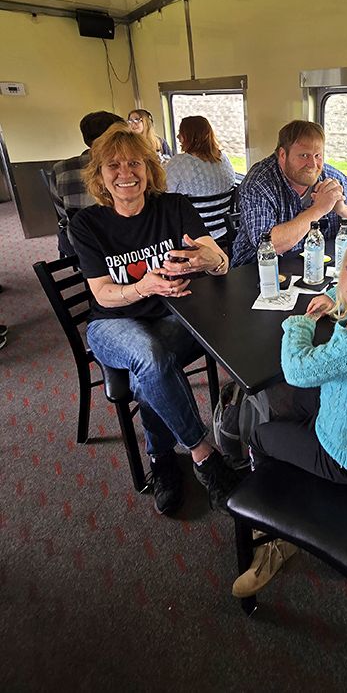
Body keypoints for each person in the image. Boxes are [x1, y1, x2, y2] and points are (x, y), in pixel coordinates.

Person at [232, 231, 347, 597]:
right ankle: (297, 462)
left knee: (261, 435)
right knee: (303, 399)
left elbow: (296, 368)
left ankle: (275, 530)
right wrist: (332, 298)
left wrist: (299, 324)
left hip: (344, 458)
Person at [69, 122, 237, 516]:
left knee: (150, 376)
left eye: (135, 163)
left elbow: (217, 257)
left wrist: (209, 259)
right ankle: (204, 457)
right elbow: (102, 294)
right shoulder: (87, 224)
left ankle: (162, 461)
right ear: (99, 176)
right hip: (111, 323)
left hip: (175, 315)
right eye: (113, 166)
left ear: (150, 169)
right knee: (149, 355)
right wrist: (146, 286)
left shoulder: (175, 206)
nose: (126, 173)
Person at [231, 120, 347, 266]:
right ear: (283, 155)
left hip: (315, 268)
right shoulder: (258, 182)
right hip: (258, 270)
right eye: (304, 156)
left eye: (317, 155)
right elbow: (268, 246)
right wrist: (318, 209)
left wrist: (342, 209)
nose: (313, 165)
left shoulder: (331, 177)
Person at [49, 110, 125, 256]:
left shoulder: (61, 169)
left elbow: (61, 212)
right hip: (122, 243)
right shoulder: (127, 167)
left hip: (78, 245)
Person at [164, 116, 236, 244]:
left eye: (181, 133)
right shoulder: (224, 159)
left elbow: (162, 194)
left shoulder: (179, 163)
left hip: (191, 235)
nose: (178, 137)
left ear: (191, 136)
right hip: (222, 230)